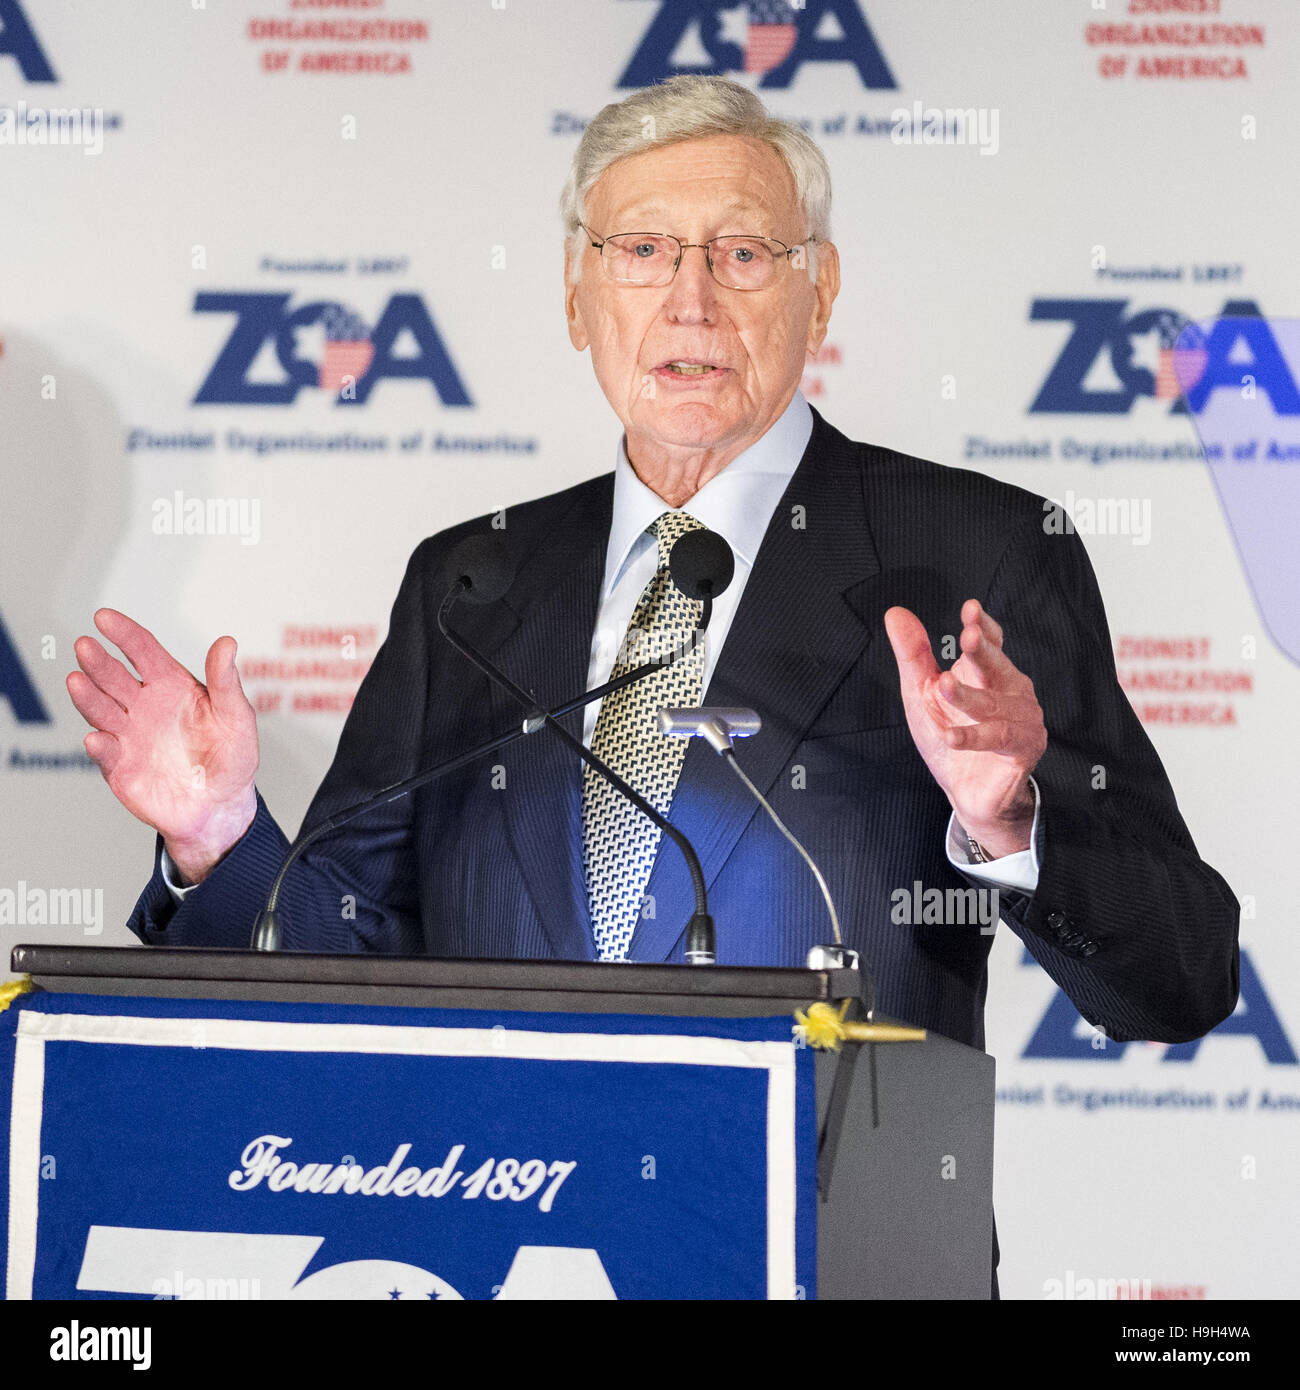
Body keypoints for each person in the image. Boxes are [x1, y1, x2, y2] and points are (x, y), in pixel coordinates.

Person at [68, 76, 1238, 1055]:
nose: (689, 298)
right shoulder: (470, 588)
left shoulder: (973, 555)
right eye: (640, 250)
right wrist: (219, 835)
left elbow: (1180, 979)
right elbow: (349, 971)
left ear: (818, 290)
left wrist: (1010, 817)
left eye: (741, 251)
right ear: (578, 298)